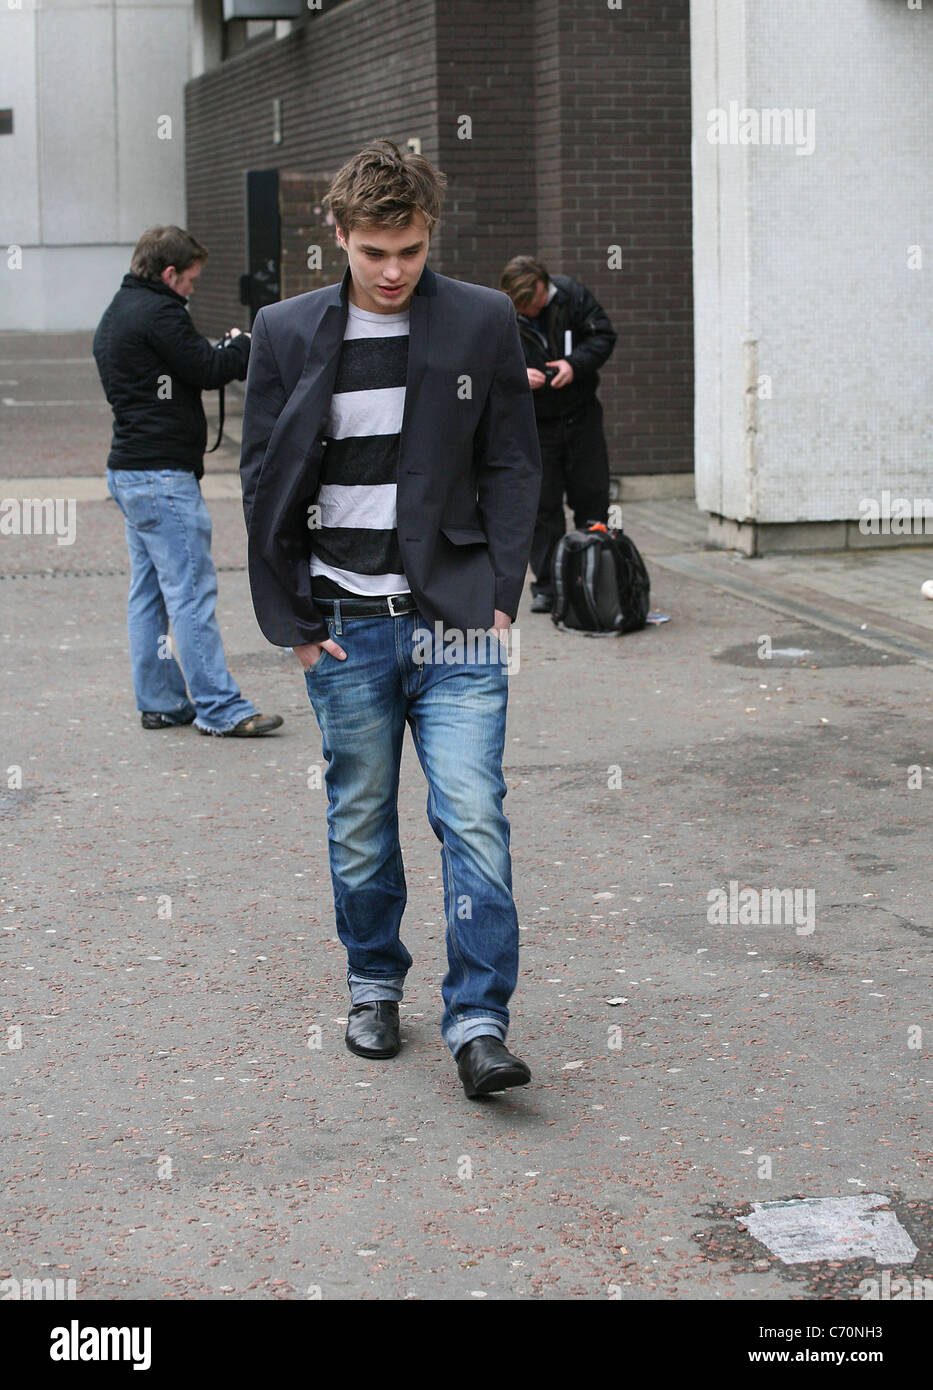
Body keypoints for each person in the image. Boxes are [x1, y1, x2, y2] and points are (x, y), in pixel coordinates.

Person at [240, 141, 543, 1098]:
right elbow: (260, 478)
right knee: (362, 821)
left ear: (428, 235)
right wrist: (288, 615)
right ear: (338, 235)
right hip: (344, 622)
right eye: (373, 250)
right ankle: (373, 983)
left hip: (455, 622)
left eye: (408, 248)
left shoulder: (482, 319)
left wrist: (501, 589)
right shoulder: (285, 331)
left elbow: (510, 460)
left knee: (474, 817)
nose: (393, 269)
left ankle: (479, 1020)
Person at [93, 225, 283, 737]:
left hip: (130, 472)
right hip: (162, 477)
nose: (193, 290)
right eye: (192, 281)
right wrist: (243, 348)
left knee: (149, 593)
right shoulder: (160, 311)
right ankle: (220, 708)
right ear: (169, 273)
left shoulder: (119, 311)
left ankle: (160, 701)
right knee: (191, 593)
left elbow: (181, 364)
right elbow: (205, 367)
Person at [499, 256, 617, 612]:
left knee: (592, 497)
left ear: (543, 286)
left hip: (580, 415)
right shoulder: (503, 311)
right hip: (535, 422)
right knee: (542, 506)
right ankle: (548, 586)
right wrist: (519, 374)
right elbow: (485, 363)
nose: (530, 313)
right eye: (523, 309)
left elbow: (604, 336)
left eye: (533, 304)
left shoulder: (571, 295)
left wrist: (573, 364)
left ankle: (595, 576)